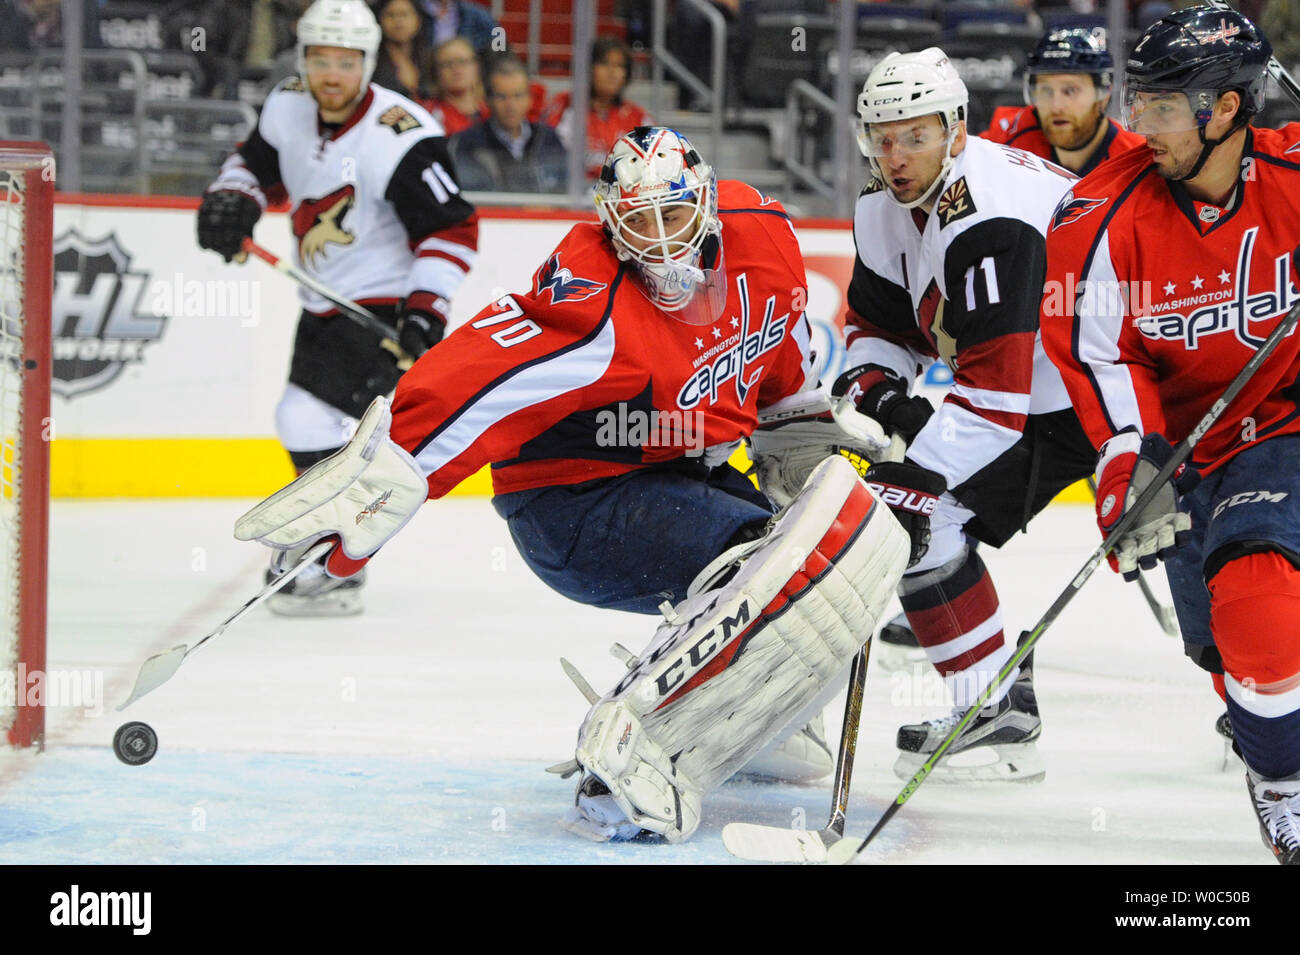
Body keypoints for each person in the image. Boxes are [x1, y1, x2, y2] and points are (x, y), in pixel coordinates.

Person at [232, 126, 936, 843]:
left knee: (821, 569)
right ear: (610, 221)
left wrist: (803, 426)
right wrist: (394, 465)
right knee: (765, 561)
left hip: (677, 474)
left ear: (708, 203)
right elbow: (477, 376)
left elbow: (776, 351)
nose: (659, 240)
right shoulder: (591, 299)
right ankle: (632, 748)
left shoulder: (764, 237)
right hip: (572, 505)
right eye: (638, 220)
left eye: (674, 214)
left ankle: (760, 723)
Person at [1041, 6, 1300, 865]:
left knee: (1264, 609)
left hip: (1290, 422)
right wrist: (1131, 466)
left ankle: (1284, 788)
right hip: (1190, 454)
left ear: (1224, 109)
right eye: (1137, 101)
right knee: (1235, 659)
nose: (1137, 123)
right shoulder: (1098, 215)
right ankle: (1275, 756)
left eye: (1160, 105)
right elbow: (1100, 360)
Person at [834, 47, 1099, 782]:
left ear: (956, 131)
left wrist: (912, 474)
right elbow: (874, 327)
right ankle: (994, 712)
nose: (896, 155)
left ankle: (1270, 720)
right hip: (1053, 393)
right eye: (881, 137)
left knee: (1217, 564)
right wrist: (883, 391)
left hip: (1114, 391)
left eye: (914, 135)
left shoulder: (989, 216)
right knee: (926, 524)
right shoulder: (881, 206)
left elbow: (994, 404)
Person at [195, 0, 478, 615]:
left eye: (345, 62)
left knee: (308, 420)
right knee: (309, 425)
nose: (330, 75)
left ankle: (335, 559)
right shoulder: (287, 105)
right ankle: (334, 552)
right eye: (319, 59)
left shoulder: (403, 134)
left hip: (380, 306)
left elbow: (452, 229)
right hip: (321, 302)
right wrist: (232, 198)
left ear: (367, 64)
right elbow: (253, 166)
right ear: (303, 59)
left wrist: (425, 309)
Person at [982, 28, 1146, 177]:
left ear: (1103, 94)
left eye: (1070, 91)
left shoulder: (1136, 160)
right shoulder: (1006, 141)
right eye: (1046, 91)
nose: (1056, 106)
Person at [450, 54, 568, 193]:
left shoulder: (548, 137)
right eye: (501, 97)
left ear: (530, 99)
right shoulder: (468, 142)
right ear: (488, 100)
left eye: (518, 96)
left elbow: (564, 186)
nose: (510, 105)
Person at [541, 36, 652, 182]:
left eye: (620, 66)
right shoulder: (564, 106)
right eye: (604, 63)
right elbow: (546, 160)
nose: (612, 72)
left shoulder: (638, 118)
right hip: (569, 195)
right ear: (589, 68)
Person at [371, 0, 436, 103]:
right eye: (390, 15)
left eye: (404, 15)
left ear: (418, 20)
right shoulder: (372, 60)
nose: (398, 22)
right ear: (380, 20)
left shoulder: (430, 58)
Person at [426, 36, 488, 134]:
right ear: (436, 72)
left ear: (476, 66)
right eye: (448, 64)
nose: (457, 69)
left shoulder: (493, 109)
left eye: (463, 61)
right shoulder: (429, 115)